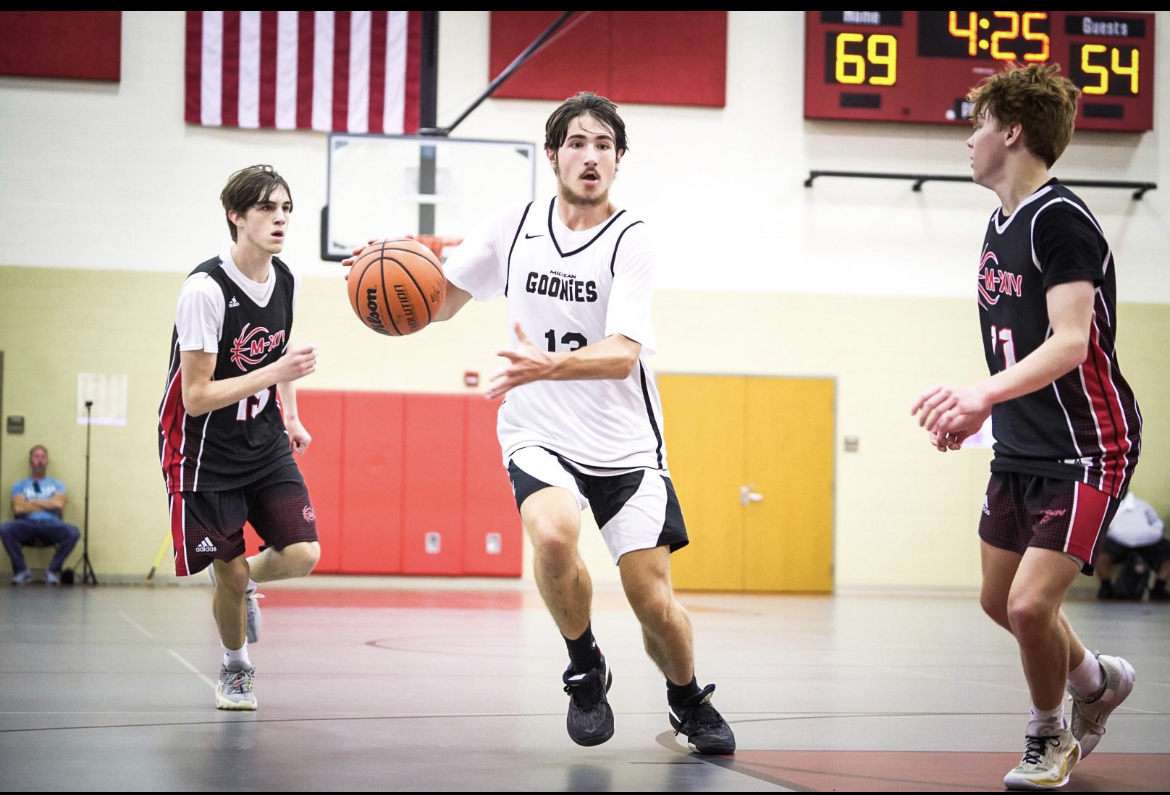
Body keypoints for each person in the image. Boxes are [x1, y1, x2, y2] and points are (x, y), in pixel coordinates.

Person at [344, 92, 735, 755]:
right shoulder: (514, 223)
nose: (591, 156)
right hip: (538, 430)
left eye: (604, 145)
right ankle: (585, 667)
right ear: (552, 155)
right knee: (553, 536)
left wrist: (549, 364)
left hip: (626, 442)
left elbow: (624, 355)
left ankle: (685, 694)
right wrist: (382, 270)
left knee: (653, 601)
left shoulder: (632, 238)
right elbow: (440, 299)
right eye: (577, 143)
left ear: (619, 159)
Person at [911, 64, 1142, 790]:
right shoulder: (1000, 222)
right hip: (1021, 442)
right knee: (995, 598)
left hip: (1087, 445)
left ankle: (1050, 736)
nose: (968, 137)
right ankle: (1096, 678)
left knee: (1028, 603)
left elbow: (1071, 341)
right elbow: (1017, 345)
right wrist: (979, 414)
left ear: (1011, 131)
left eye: (977, 122)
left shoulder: (1060, 219)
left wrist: (978, 394)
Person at [157, 164, 321, 711]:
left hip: (265, 439)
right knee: (223, 573)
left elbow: (280, 357)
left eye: (286, 209)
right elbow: (196, 396)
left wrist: (291, 416)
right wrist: (275, 376)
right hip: (204, 452)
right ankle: (236, 666)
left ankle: (244, 583)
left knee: (303, 554)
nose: (280, 219)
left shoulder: (286, 279)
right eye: (266, 209)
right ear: (236, 216)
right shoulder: (204, 290)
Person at [1, 444, 81, 585]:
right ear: (30, 461)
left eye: (43, 457)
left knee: (73, 532)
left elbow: (59, 504)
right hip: (27, 525)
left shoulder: (57, 484)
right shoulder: (20, 485)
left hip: (52, 525)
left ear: (47, 461)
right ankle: (21, 571)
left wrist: (31, 502)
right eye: (36, 456)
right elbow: (19, 508)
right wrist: (48, 503)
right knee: (5, 529)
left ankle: (52, 571)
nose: (40, 460)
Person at [1095, 492, 1169, 601]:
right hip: (1137, 539)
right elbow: (1157, 522)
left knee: (1096, 552)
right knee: (1097, 553)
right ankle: (1159, 589)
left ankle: (1106, 588)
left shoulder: (1140, 505)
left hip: (1137, 539)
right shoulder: (1140, 504)